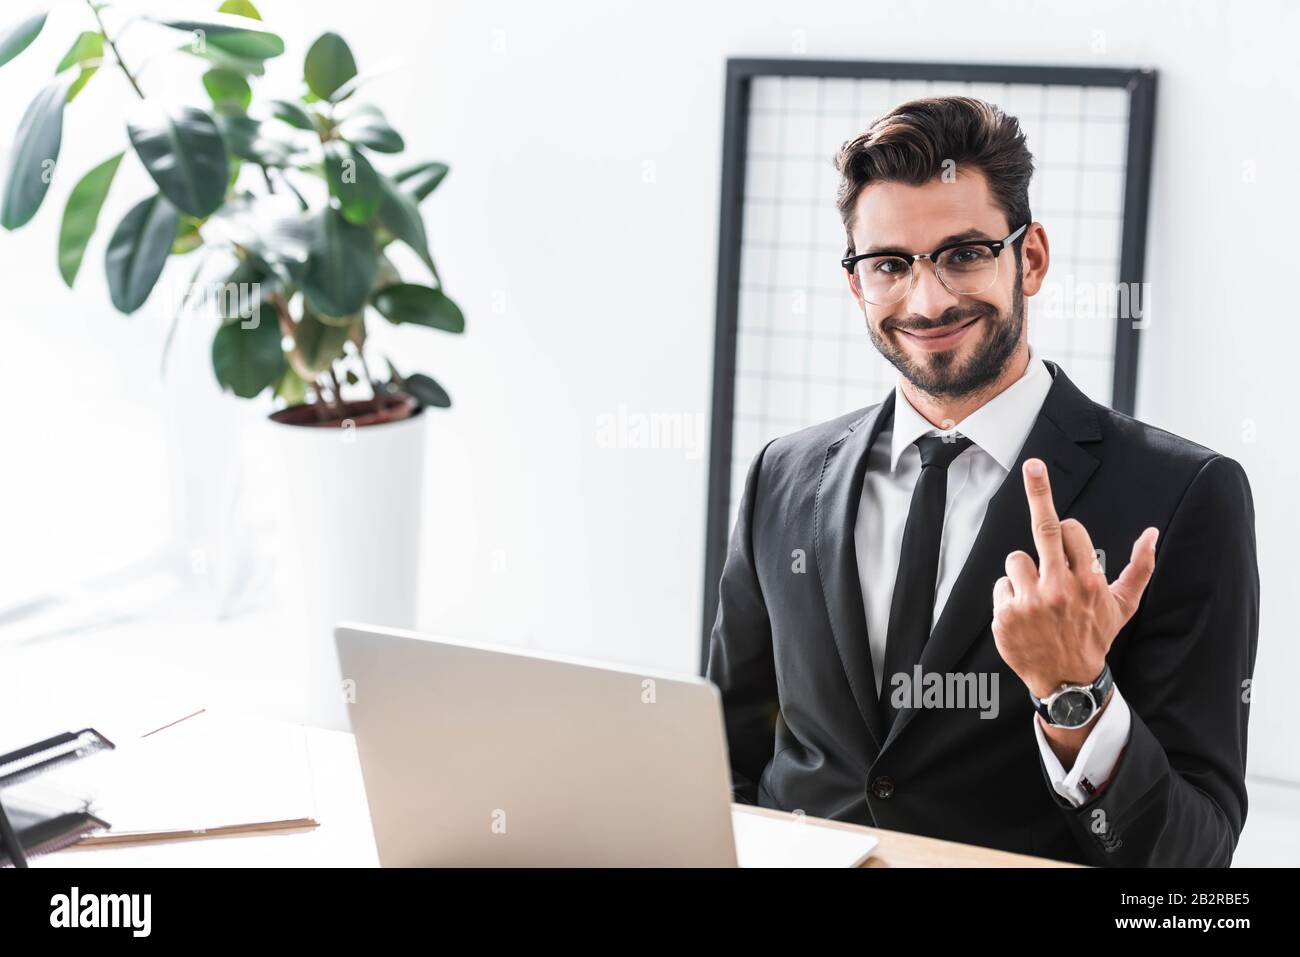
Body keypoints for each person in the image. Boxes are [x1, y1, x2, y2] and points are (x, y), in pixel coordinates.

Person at [706, 96, 1258, 866]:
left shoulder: (1186, 495)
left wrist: (1077, 693)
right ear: (856, 283)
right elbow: (722, 768)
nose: (928, 301)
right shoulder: (780, 477)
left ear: (1029, 257)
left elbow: (1190, 864)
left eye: (964, 253)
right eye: (890, 264)